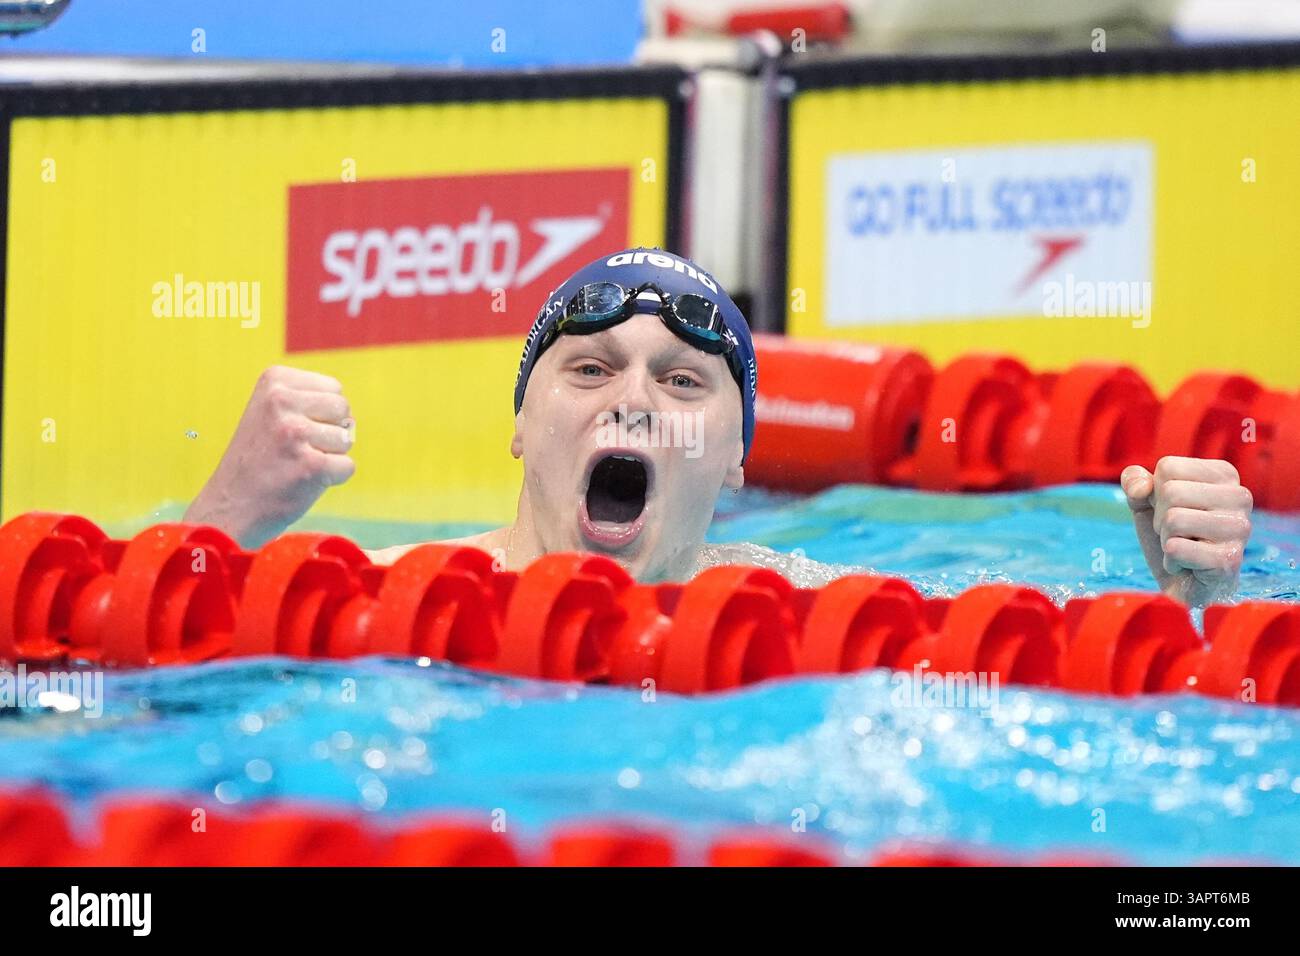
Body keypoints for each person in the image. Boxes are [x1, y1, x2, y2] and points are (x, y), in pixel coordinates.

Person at [182, 248, 1253, 605]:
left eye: (685, 384)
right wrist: (225, 520)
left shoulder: (807, 604)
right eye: (591, 366)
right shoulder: (388, 588)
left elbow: (1044, 659)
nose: (634, 398)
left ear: (739, 461)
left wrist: (1187, 597)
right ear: (520, 427)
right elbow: (63, 713)